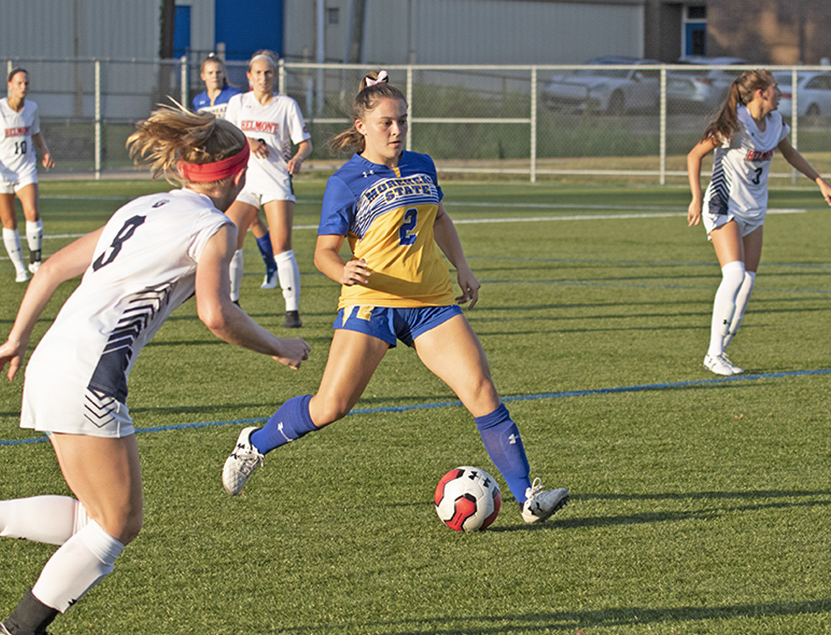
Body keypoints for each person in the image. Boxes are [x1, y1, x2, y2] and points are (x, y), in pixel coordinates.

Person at [0, 104, 311, 635]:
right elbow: (217, 313)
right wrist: (278, 345)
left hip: (53, 360)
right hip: (90, 374)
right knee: (119, 524)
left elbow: (54, 267)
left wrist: (17, 338)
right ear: (240, 175)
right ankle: (15, 630)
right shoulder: (215, 228)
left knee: (98, 518)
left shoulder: (140, 206)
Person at [221, 70, 570, 525]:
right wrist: (342, 267)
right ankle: (255, 442)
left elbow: (439, 217)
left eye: (402, 120)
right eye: (387, 122)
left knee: (481, 391)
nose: (397, 130)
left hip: (431, 302)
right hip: (372, 303)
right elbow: (324, 253)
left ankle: (527, 498)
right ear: (362, 126)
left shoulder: (422, 164)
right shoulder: (346, 181)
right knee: (331, 406)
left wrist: (462, 266)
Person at [687, 69, 831, 376]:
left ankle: (721, 350)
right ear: (761, 93)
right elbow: (694, 155)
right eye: (775, 87)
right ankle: (713, 353)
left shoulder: (775, 124)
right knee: (734, 275)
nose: (780, 92)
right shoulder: (735, 124)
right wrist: (695, 196)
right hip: (724, 206)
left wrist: (820, 181)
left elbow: (791, 154)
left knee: (747, 282)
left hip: (754, 211)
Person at [222, 50, 313, 327]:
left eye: (268, 72)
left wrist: (297, 158)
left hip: (276, 180)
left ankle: (292, 312)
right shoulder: (238, 102)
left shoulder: (286, 105)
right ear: (249, 76)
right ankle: (232, 302)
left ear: (275, 75)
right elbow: (227, 136)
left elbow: (305, 143)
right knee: (231, 240)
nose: (264, 77)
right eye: (258, 73)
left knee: (281, 245)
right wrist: (248, 141)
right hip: (244, 182)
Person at [193, 53, 278, 290]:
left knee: (242, 217)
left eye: (219, 72)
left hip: (230, 160)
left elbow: (236, 126)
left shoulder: (234, 97)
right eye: (210, 73)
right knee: (248, 217)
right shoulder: (199, 101)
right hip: (211, 161)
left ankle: (268, 266)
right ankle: (269, 265)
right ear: (203, 76)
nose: (215, 77)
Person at [0, 68, 55, 282]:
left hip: (25, 169)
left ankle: (36, 261)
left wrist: (44, 151)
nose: (23, 87)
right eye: (19, 83)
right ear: (9, 85)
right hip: (0, 171)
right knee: (9, 221)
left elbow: (35, 132)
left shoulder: (32, 108)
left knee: (33, 212)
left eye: (26, 83)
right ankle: (19, 268)